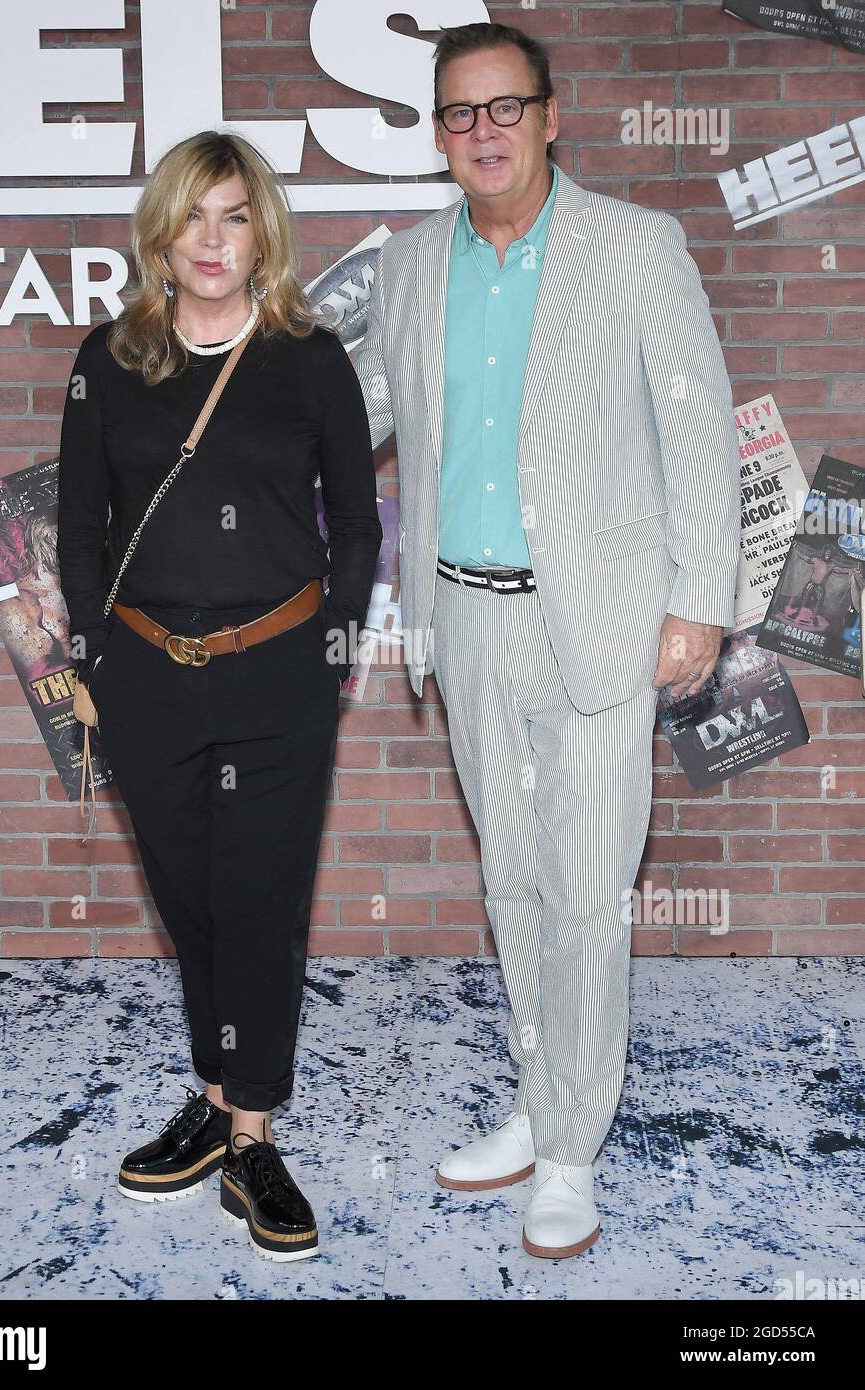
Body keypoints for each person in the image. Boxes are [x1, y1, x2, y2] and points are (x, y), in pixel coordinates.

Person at [354, 21, 741, 1258]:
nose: (483, 132)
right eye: (459, 115)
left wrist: (701, 598)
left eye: (504, 107)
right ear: (439, 135)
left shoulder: (633, 248)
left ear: (550, 113)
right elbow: (351, 409)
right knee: (512, 881)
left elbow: (697, 435)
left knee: (586, 892)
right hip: (462, 618)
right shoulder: (412, 265)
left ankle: (572, 1147)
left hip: (602, 622)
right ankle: (539, 1098)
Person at [57, 129, 381, 1263]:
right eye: (192, 215)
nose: (211, 239)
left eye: (233, 215)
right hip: (145, 673)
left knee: (257, 898)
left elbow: (357, 523)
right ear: (161, 230)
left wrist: (328, 655)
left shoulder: (310, 357)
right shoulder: (110, 358)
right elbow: (81, 525)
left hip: (278, 671)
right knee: (187, 896)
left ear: (263, 232)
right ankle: (211, 1087)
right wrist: (96, 656)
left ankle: (251, 1134)